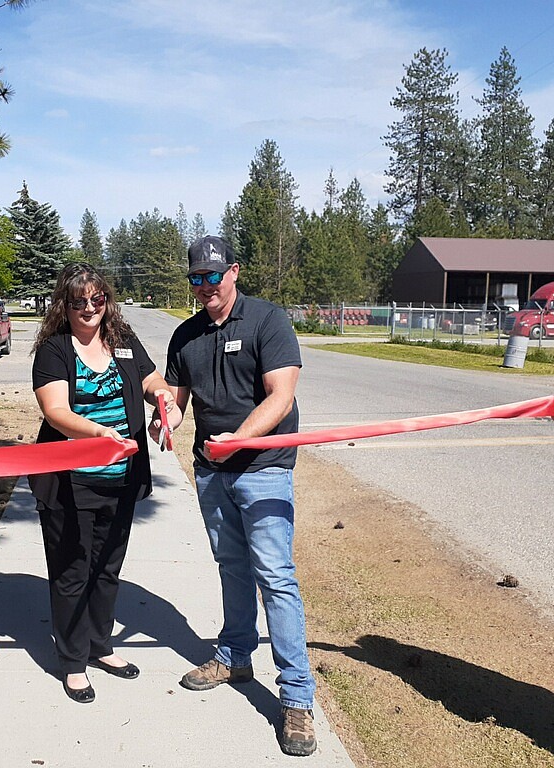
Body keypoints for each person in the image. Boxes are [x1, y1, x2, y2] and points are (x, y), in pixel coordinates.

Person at [154, 235, 316, 757]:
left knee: (275, 576)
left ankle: (296, 699)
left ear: (234, 273)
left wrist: (239, 439)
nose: (205, 287)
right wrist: (168, 420)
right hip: (211, 472)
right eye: (196, 279)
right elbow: (177, 402)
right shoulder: (186, 335)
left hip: (263, 467)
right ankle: (234, 655)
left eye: (213, 277)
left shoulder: (268, 321)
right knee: (231, 567)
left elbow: (281, 395)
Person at [30, 262, 174, 703]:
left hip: (122, 479)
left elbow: (151, 379)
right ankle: (73, 661)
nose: (90, 308)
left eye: (97, 299)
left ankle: (99, 645)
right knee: (73, 570)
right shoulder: (55, 350)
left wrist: (164, 398)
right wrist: (98, 434)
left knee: (107, 568)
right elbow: (55, 411)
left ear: (106, 301)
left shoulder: (123, 342)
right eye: (79, 301)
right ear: (65, 305)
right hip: (71, 481)